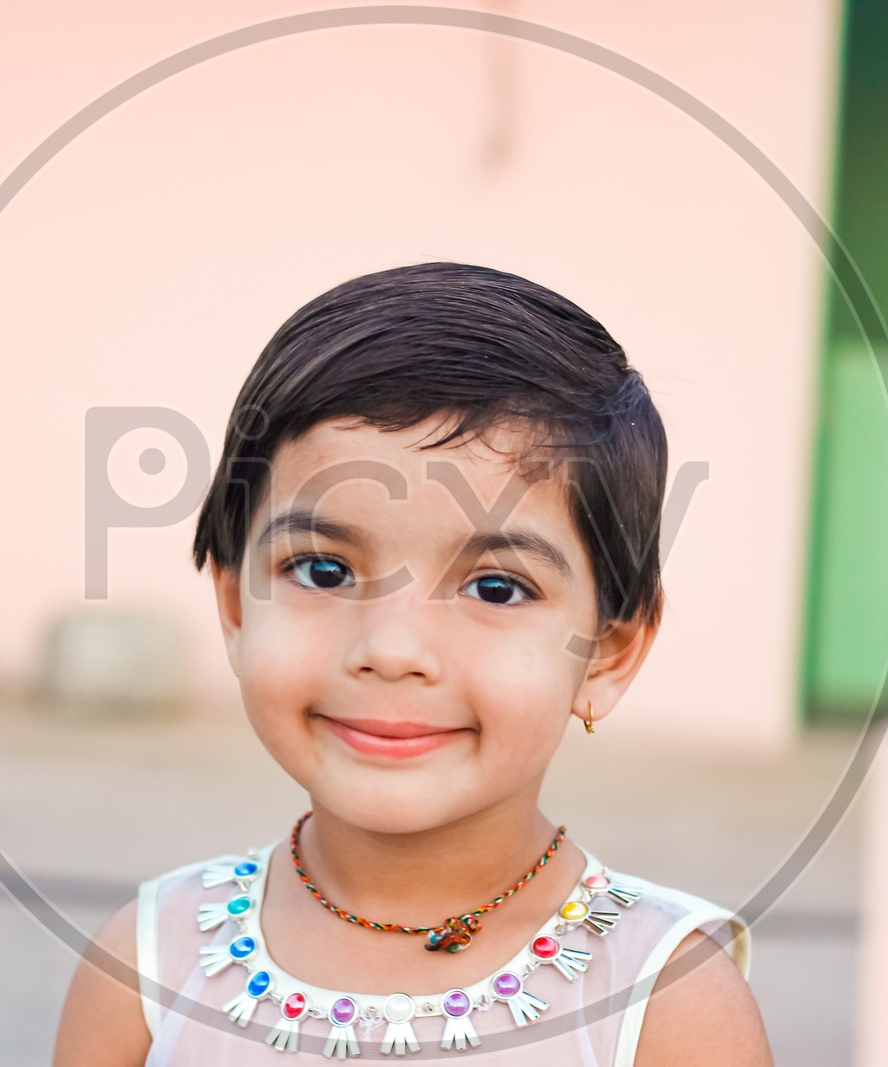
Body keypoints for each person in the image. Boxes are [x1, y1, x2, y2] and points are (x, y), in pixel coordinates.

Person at [54, 263, 771, 1066]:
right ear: (235, 607)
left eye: (496, 587)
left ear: (608, 650)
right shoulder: (148, 965)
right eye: (323, 571)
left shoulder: (663, 1001)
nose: (392, 649)